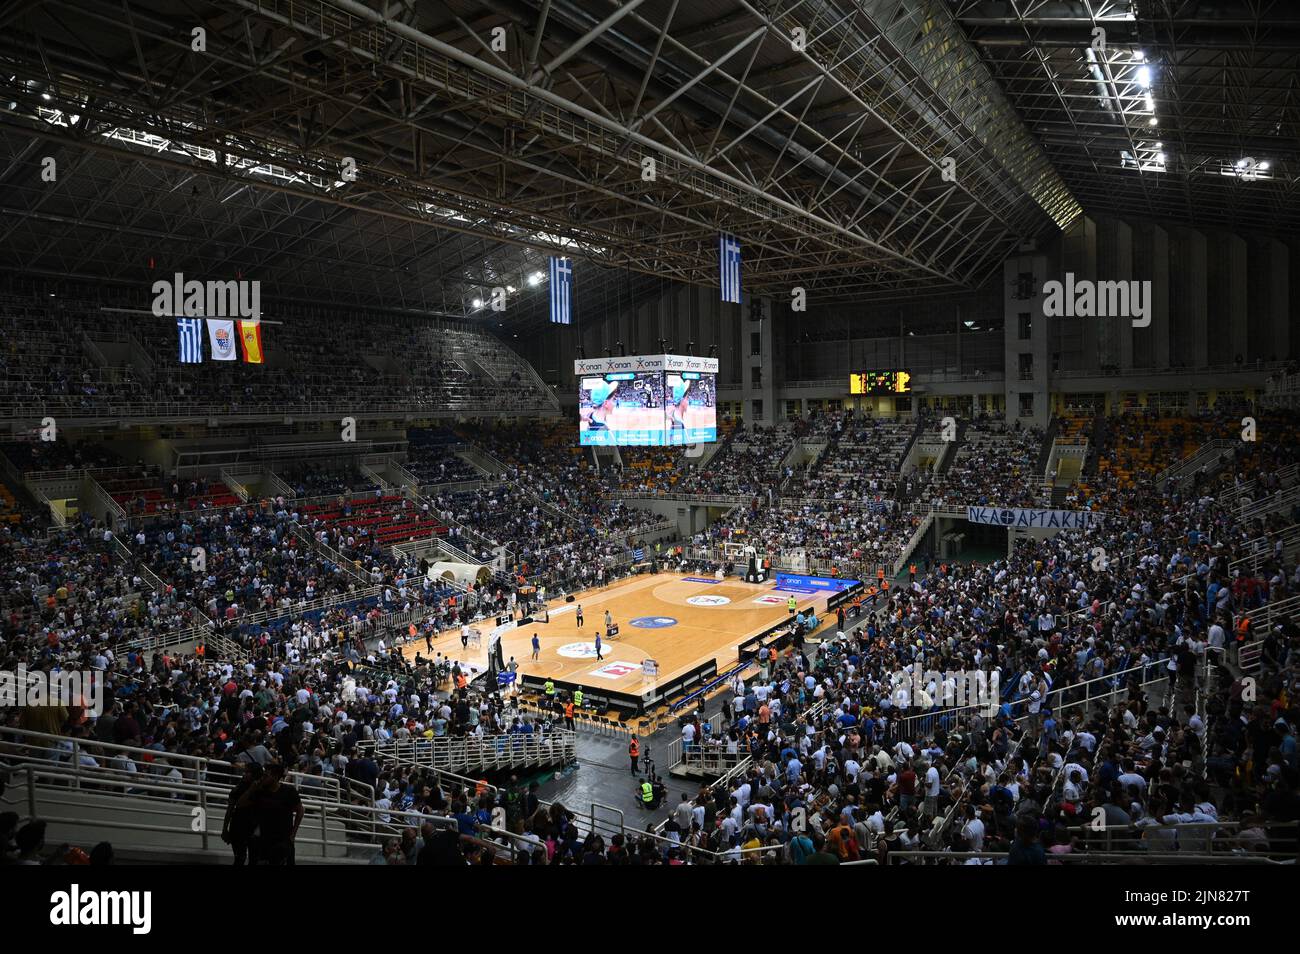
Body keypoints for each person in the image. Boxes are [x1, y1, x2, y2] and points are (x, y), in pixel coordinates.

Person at [239, 762, 304, 865]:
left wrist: (293, 835)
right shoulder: (260, 791)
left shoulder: (288, 791)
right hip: (263, 840)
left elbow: (300, 810)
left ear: (275, 776)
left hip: (283, 840)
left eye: (266, 775)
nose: (263, 777)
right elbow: (240, 804)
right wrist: (251, 789)